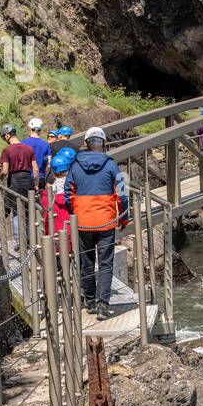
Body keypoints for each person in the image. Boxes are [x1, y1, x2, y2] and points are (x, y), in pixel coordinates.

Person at [65, 127, 129, 319]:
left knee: (86, 263)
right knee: (106, 264)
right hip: (106, 222)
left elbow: (68, 194)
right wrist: (124, 217)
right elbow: (122, 194)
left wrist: (74, 214)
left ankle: (90, 301)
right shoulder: (111, 165)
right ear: (103, 144)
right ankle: (103, 304)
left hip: (83, 222)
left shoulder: (75, 166)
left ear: (86, 143)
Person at [0, 124, 38, 238]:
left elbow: (5, 171)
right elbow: (35, 169)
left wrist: (0, 178)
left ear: (6, 135)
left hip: (14, 182)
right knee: (28, 210)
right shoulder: (28, 149)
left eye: (3, 137)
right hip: (27, 181)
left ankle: (20, 242)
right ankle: (31, 239)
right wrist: (35, 184)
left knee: (16, 211)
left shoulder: (7, 151)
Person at [40, 145, 76, 250]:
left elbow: (45, 210)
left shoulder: (48, 192)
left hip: (54, 233)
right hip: (71, 232)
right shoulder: (73, 187)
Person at [23, 117, 51, 187]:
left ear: (30, 129)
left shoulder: (22, 143)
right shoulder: (45, 144)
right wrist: (45, 177)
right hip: (40, 177)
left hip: (26, 178)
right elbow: (49, 164)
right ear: (40, 129)